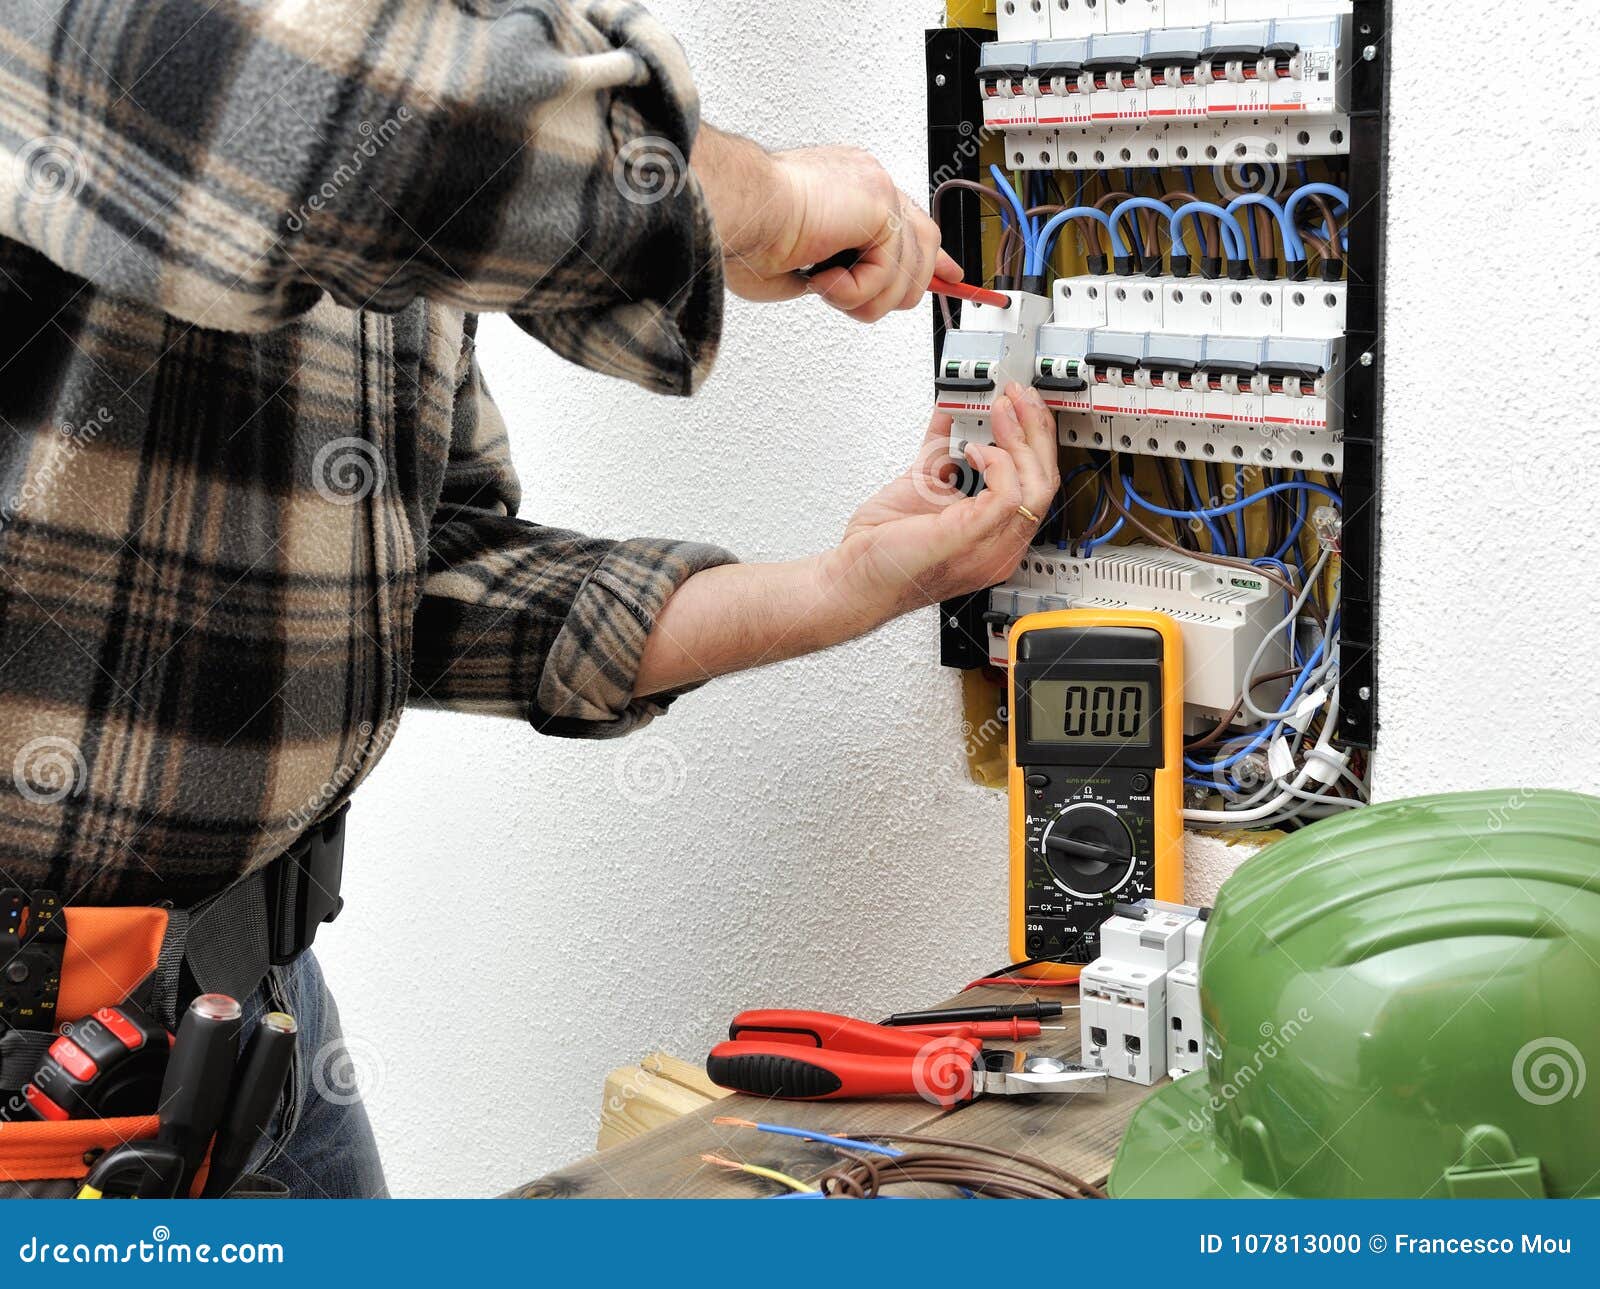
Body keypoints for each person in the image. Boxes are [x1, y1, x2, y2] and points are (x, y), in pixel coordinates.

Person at [0, 1, 1059, 1196]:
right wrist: (773, 199)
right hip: (38, 1064)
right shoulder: (322, 81)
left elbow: (419, 577)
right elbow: (375, 121)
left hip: (250, 1013)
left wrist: (839, 589)